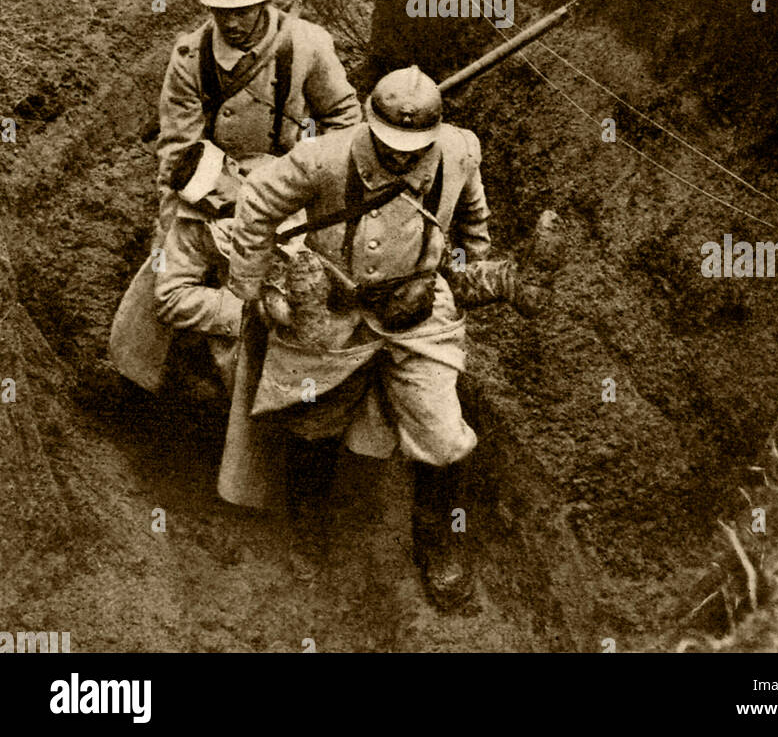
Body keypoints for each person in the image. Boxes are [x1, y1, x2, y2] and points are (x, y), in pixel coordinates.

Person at [220, 65, 560, 611]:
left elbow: (473, 221)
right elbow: (258, 200)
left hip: (418, 311)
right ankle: (309, 527)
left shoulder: (460, 153)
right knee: (314, 417)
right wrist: (254, 285)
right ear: (369, 127)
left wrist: (463, 266)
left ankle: (439, 546)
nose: (401, 157)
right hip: (336, 309)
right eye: (388, 145)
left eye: (413, 148)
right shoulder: (324, 158)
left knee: (445, 437)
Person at [108, 0, 360, 394]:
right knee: (171, 281)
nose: (233, 23)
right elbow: (177, 149)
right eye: (221, 13)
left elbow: (344, 119)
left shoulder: (306, 45)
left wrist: (314, 177)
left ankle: (312, 383)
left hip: (289, 180)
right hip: (212, 185)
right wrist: (178, 216)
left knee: (322, 280)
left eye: (243, 12)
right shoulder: (190, 57)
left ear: (264, 5)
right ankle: (191, 368)